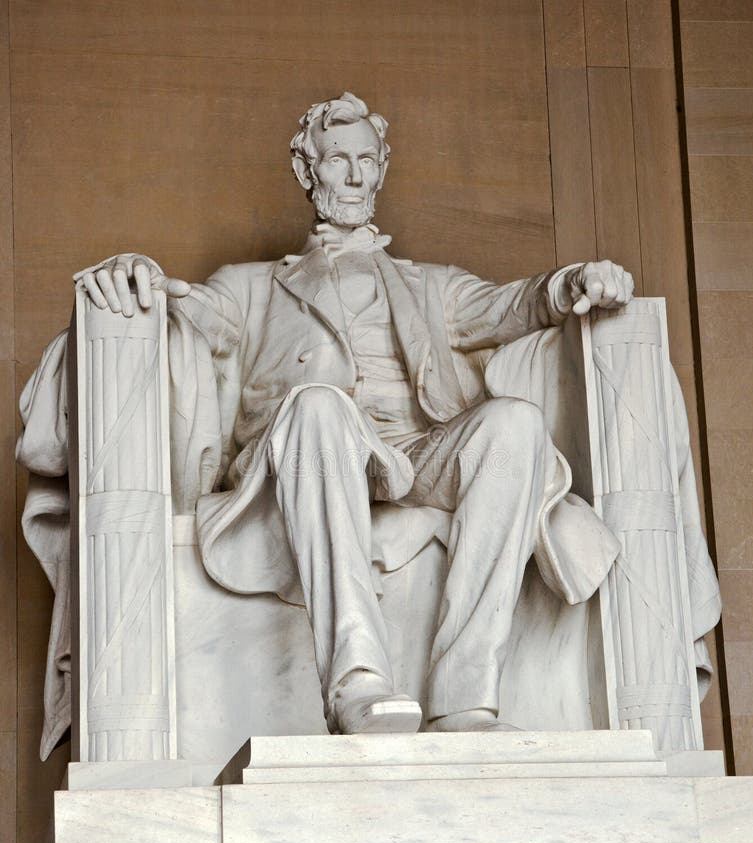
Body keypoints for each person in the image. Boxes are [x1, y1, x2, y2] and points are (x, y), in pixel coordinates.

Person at [74, 92, 633, 736]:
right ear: (306, 170)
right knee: (318, 405)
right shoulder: (254, 284)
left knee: (515, 423)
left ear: (383, 166)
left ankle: (466, 697)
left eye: (367, 159)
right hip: (309, 450)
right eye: (337, 159)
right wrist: (134, 272)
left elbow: (516, 305)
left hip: (415, 454)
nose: (355, 175)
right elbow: (188, 308)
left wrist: (576, 281)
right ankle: (357, 684)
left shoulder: (433, 285)